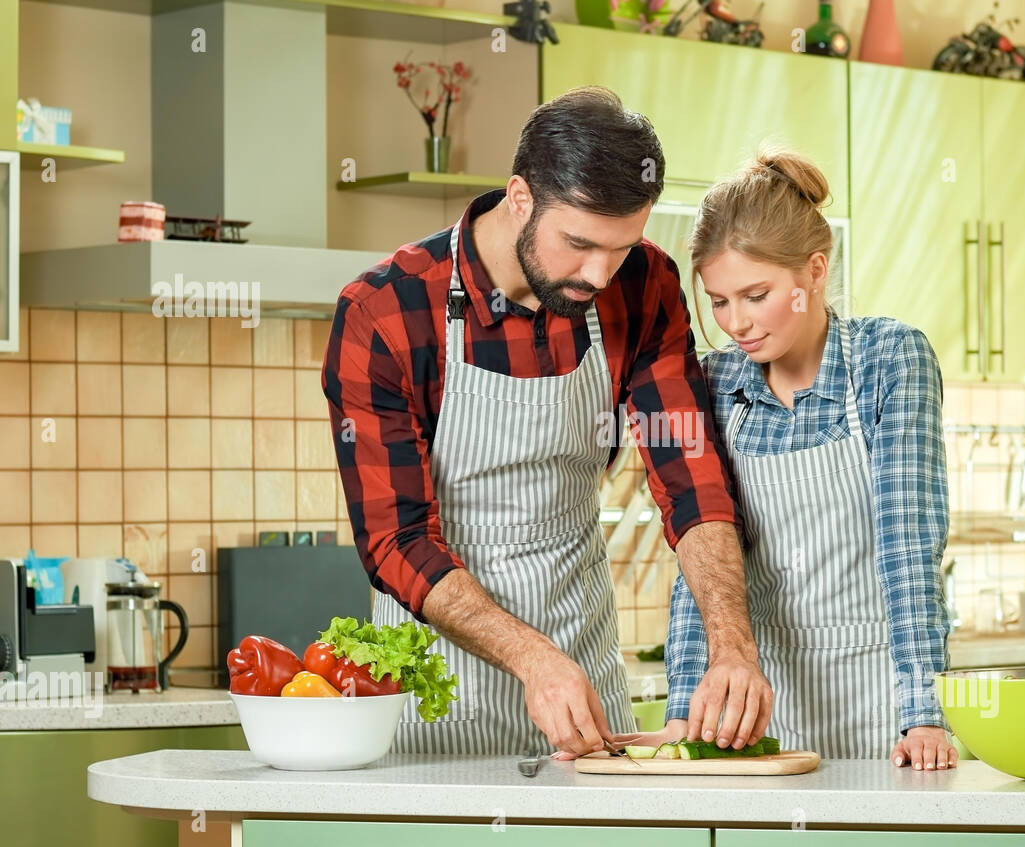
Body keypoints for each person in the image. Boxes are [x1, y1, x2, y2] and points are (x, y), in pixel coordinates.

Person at [322, 87, 772, 756]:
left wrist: (732, 645)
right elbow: (396, 540)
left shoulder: (643, 284)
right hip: (434, 691)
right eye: (579, 243)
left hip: (586, 678)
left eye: (619, 248)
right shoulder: (385, 311)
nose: (598, 273)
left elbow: (689, 475)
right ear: (520, 197)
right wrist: (533, 659)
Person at [609, 148, 956, 769]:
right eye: (718, 300)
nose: (735, 322)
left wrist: (924, 715)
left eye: (755, 294)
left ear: (815, 273)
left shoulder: (889, 362)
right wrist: (686, 715)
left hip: (881, 703)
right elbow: (701, 564)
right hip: (758, 717)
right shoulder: (714, 385)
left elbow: (909, 547)